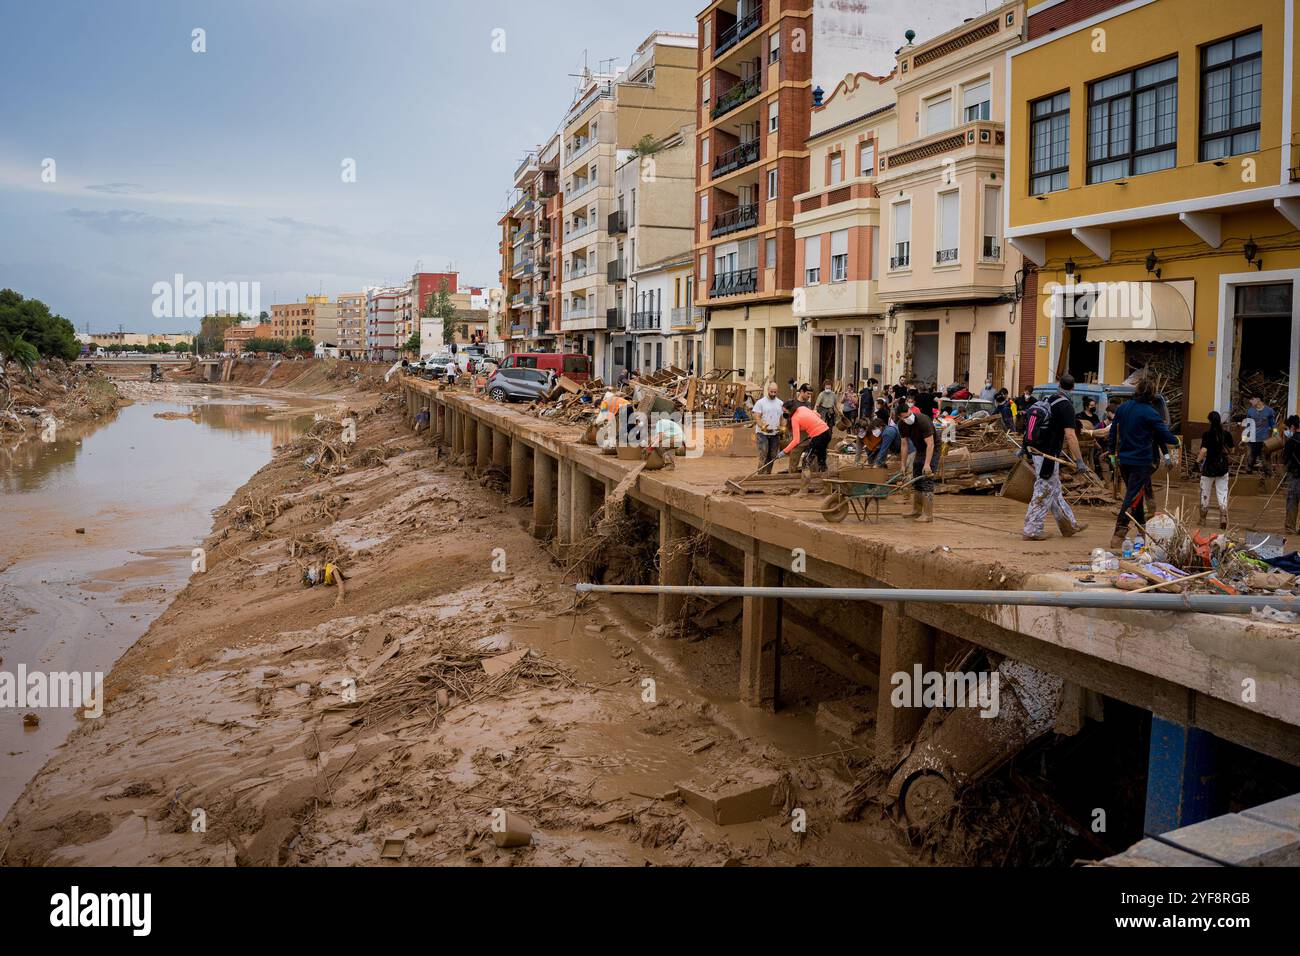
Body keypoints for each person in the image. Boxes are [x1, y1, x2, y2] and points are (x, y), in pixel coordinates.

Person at [1108, 375, 1179, 549]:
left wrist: (1111, 455)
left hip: (1123, 460)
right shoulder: (1150, 413)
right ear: (1152, 395)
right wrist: (1175, 441)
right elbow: (1165, 435)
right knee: (1132, 496)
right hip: (1142, 462)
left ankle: (1142, 530)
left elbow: (1112, 434)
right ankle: (1119, 532)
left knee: (1136, 495)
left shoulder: (1123, 408)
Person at [1023, 375, 1089, 541]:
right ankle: (1032, 530)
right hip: (1048, 454)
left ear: (1059, 385)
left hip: (1038, 450)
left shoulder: (1049, 399)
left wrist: (1024, 448)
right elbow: (1070, 435)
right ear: (1073, 388)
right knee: (1044, 489)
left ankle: (1068, 525)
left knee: (1054, 488)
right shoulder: (1065, 405)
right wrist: (1079, 460)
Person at [894, 399, 937, 522]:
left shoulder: (923, 420)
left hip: (932, 448)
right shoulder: (902, 425)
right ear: (900, 417)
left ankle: (928, 515)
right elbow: (904, 445)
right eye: (905, 417)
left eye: (909, 414)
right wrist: (903, 465)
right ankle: (917, 510)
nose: (908, 417)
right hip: (919, 448)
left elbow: (931, 444)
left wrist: (927, 464)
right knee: (916, 475)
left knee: (926, 477)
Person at [1196, 411, 1234, 530]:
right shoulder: (1226, 434)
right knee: (1222, 493)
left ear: (1210, 421)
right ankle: (1223, 517)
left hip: (1209, 468)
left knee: (1205, 493)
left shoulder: (1207, 434)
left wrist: (1197, 462)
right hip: (1222, 467)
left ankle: (1202, 520)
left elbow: (1203, 451)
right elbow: (1232, 450)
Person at [776, 399, 831, 472]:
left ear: (791, 410)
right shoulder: (802, 408)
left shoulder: (794, 419)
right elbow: (818, 415)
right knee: (821, 458)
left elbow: (796, 440)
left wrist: (784, 451)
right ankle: (823, 475)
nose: (784, 413)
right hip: (827, 432)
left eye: (785, 411)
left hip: (818, 436)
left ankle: (805, 481)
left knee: (806, 460)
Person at [752, 381, 785, 473]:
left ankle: (768, 474)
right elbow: (757, 416)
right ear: (768, 390)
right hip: (762, 433)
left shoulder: (780, 403)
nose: (773, 394)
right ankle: (760, 475)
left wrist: (783, 428)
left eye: (775, 392)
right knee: (763, 454)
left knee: (773, 455)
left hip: (775, 433)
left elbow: (783, 418)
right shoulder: (760, 402)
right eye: (771, 392)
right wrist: (762, 425)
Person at [1246, 395, 1277, 474]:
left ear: (1258, 399)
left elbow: (1273, 424)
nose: (1250, 401)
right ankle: (1248, 478)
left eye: (1252, 399)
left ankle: (1268, 477)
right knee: (1250, 459)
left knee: (1266, 460)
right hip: (1252, 440)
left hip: (1264, 440)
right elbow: (1248, 425)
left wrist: (1276, 433)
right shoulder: (1250, 411)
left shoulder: (1269, 411)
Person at [1284, 415, 1300, 533]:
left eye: (1288, 428)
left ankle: (1290, 527)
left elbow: (1285, 459)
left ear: (1293, 427)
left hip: (1295, 475)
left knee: (1292, 501)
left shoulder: (1291, 442)